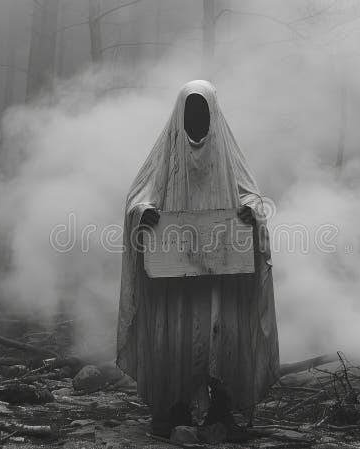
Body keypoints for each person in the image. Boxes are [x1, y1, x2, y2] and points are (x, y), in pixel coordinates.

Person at [116, 80, 280, 439]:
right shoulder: (166, 153)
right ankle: (173, 406)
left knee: (221, 334)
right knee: (173, 333)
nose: (196, 119)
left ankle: (221, 406)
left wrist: (252, 212)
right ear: (180, 115)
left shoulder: (226, 153)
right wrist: (143, 213)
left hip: (221, 270)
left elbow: (251, 195)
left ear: (213, 115)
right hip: (172, 271)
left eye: (202, 112)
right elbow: (137, 197)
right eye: (190, 112)